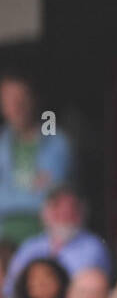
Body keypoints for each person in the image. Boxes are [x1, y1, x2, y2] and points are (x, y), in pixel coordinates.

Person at [3, 186, 111, 298]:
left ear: (81, 212)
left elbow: (99, 291)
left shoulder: (93, 247)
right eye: (57, 208)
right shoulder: (30, 247)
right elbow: (10, 288)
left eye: (71, 209)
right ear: (45, 212)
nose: (64, 214)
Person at [0, 73, 73, 245]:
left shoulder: (56, 143)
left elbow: (53, 196)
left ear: (34, 99)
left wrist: (10, 195)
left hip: (45, 233)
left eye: (21, 97)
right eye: (9, 99)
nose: (16, 106)